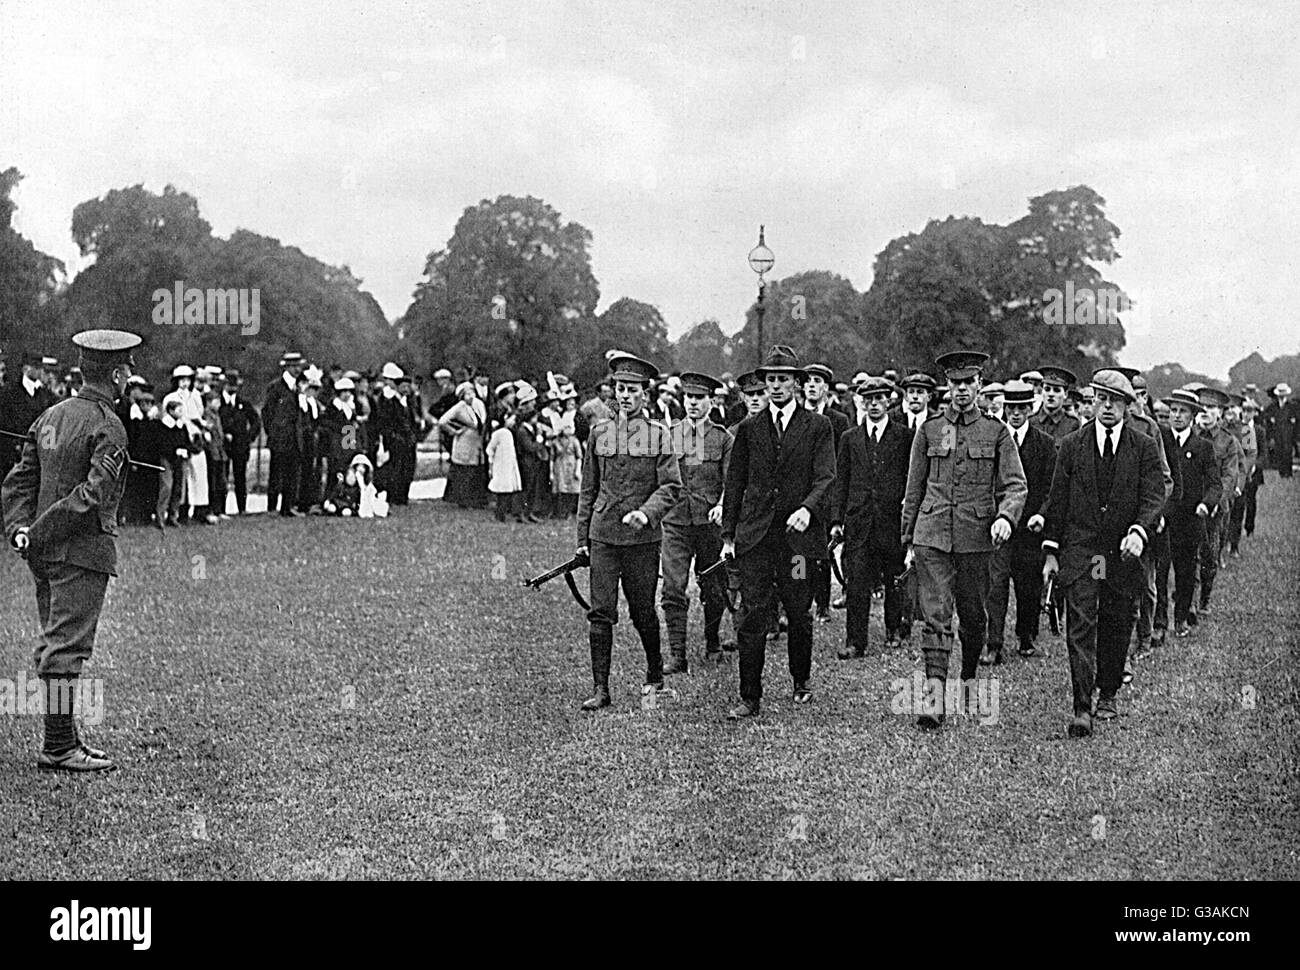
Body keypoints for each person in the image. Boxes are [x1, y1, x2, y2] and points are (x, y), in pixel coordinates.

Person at [2, 329, 142, 771]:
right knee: (65, 648)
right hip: (80, 552)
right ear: (117, 374)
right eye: (128, 370)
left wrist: (21, 529)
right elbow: (93, 496)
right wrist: (38, 531)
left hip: (44, 556)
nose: (129, 377)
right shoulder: (108, 425)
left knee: (57, 642)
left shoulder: (49, 417)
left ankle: (65, 738)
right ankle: (59, 746)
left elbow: (19, 480)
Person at [900, 351, 1027, 729]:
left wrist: (1006, 517)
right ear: (947, 387)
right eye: (955, 384)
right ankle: (934, 700)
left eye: (968, 384)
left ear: (979, 386)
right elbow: (914, 487)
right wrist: (908, 538)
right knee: (936, 616)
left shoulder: (997, 432)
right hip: (932, 534)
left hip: (977, 538)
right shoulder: (929, 431)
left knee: (973, 617)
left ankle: (969, 677)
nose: (961, 391)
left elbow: (1015, 485)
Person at [1041, 370, 1165, 738]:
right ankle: (1082, 706)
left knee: (1116, 620)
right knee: (1081, 623)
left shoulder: (1142, 447)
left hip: (1122, 554)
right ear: (1092, 401)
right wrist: (1051, 551)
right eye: (1101, 399)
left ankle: (1107, 691)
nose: (1108, 406)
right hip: (1083, 554)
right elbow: (1057, 500)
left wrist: (1140, 530)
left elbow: (1154, 496)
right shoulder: (1071, 446)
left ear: (1128, 406)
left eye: (1116, 401)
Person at [720, 346, 837, 719]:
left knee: (799, 609)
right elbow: (734, 483)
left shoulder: (818, 427)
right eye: (770, 380)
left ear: (797, 383)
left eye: (783, 379)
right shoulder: (749, 429)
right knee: (752, 612)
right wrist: (728, 537)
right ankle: (749, 696)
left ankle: (800, 680)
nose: (775, 386)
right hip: (756, 538)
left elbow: (826, 477)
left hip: (798, 543)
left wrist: (807, 509)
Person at [576, 354, 682, 710]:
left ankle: (655, 674)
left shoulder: (658, 435)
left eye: (632, 390)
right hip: (603, 534)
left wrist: (646, 513)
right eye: (620, 389)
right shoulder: (598, 433)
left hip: (641, 540)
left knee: (642, 612)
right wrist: (581, 542)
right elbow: (588, 490)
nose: (624, 395)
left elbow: (671, 487)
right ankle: (601, 689)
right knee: (600, 611)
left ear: (644, 395)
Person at [830, 376, 911, 657]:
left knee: (894, 580)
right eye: (869, 400)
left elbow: (909, 479)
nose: (874, 405)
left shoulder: (903, 436)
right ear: (862, 404)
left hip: (891, 521)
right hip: (859, 521)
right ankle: (855, 641)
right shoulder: (850, 438)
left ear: (889, 402)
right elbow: (842, 481)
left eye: (879, 399)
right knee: (857, 583)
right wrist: (837, 521)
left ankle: (893, 631)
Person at [660, 371, 732, 673]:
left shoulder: (722, 438)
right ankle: (677, 654)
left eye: (699, 398)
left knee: (714, 586)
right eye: (689, 397)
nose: (693, 403)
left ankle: (713, 641)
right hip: (675, 521)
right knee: (673, 587)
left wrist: (721, 505)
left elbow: (731, 482)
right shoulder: (669, 434)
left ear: (711, 402)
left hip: (708, 523)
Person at [982, 380, 1056, 663]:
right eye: (1010, 408)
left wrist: (1041, 514)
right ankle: (994, 645)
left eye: (1021, 408)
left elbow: (1051, 487)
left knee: (1028, 587)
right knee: (996, 585)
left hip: (1030, 529)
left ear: (1029, 409)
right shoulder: (995, 440)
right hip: (999, 526)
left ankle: (1026, 637)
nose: (1015, 413)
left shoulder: (1044, 444)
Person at [1160, 390, 1219, 639]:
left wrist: (1206, 504)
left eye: (1182, 411)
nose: (1176, 416)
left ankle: (1181, 618)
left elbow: (1215, 483)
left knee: (1185, 572)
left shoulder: (1202, 446)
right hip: (1163, 518)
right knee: (1160, 572)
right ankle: (1160, 622)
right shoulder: (1160, 441)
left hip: (1190, 517)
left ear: (1193, 416)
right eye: (1173, 410)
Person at [802, 363, 850, 623]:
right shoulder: (795, 417)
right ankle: (799, 600)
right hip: (800, 493)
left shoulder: (838, 420)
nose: (811, 385)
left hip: (828, 493)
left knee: (823, 552)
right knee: (798, 552)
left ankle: (822, 603)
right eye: (807, 381)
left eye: (817, 381)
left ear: (825, 388)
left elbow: (842, 462)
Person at [1195, 386, 1243, 615]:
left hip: (1215, 509)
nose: (1205, 410)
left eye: (1211, 407)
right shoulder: (1192, 435)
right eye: (1202, 406)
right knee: (1188, 555)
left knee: (1210, 555)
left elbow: (1229, 476)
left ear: (1221, 413)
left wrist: (1214, 502)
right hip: (1191, 505)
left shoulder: (1229, 442)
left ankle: (1204, 599)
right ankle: (1189, 603)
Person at [1, 351, 55, 483]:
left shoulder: (45, 396)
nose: (40, 371)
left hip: (37, 456)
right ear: (26, 369)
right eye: (36, 367)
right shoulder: (9, 393)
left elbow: (49, 425)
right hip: (13, 457)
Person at [263, 352, 305, 516]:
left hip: (294, 437)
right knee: (276, 473)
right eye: (294, 366)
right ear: (287, 367)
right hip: (280, 437)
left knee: (291, 473)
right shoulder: (276, 387)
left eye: (298, 366)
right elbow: (267, 412)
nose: (297, 369)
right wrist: (273, 432)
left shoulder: (297, 388)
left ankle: (287, 507)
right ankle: (272, 507)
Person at [439, 380, 489, 509]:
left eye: (472, 392)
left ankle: (477, 500)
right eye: (467, 394)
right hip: (464, 441)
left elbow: (482, 421)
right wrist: (454, 432)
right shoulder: (460, 407)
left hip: (477, 440)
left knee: (477, 469)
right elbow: (442, 421)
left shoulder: (479, 405)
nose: (471, 396)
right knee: (464, 470)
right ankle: (463, 500)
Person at [219, 369, 261, 516]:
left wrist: (248, 438)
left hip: (240, 446)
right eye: (229, 385)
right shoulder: (218, 403)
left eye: (234, 385)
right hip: (222, 446)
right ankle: (221, 509)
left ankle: (241, 508)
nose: (232, 388)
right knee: (221, 477)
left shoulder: (243, 403)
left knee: (240, 477)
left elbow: (256, 421)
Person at [1031, 365, 1081, 445]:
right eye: (1047, 389)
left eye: (1056, 390)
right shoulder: (1031, 422)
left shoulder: (1072, 425)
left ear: (1065, 394)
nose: (1051, 394)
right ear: (1042, 392)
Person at [1262, 382, 1297, 477]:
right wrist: (1270, 435)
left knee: (1288, 452)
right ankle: (1282, 473)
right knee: (1279, 453)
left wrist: (1295, 436)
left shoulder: (1292, 406)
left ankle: (1288, 473)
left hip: (1288, 434)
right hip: (1277, 434)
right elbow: (1267, 420)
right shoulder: (1272, 407)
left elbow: (1296, 422)